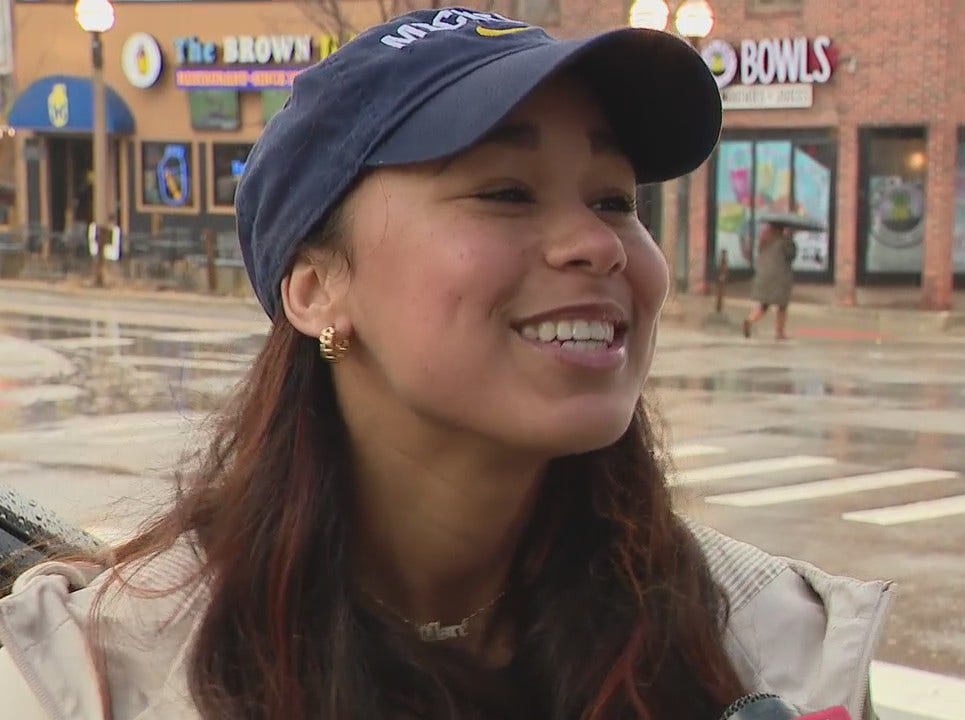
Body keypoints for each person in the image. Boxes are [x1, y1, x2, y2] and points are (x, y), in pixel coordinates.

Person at [0, 8, 892, 719]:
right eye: (506, 192)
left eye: (616, 200)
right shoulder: (93, 676)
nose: (598, 244)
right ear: (316, 288)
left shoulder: (776, 650)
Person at [743, 218, 798, 341]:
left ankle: (750, 320)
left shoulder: (764, 240)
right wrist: (790, 238)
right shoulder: (785, 241)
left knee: (764, 304)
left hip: (763, 275)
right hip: (780, 277)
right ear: (782, 229)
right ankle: (780, 332)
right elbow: (791, 255)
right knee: (782, 305)